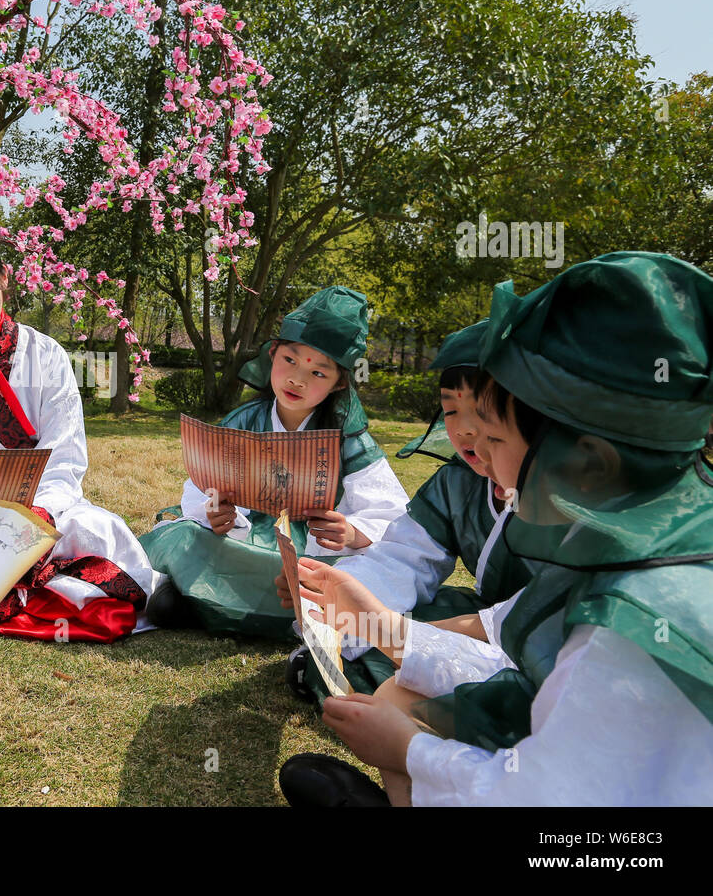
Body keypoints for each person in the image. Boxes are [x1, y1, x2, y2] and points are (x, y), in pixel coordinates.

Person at [280, 252, 713, 806]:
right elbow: (500, 637)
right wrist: (365, 614)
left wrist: (410, 751)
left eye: (496, 436)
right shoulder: (637, 543)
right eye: (455, 414)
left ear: (587, 460)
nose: (476, 448)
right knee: (402, 686)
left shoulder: (631, 628)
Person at [0, 223, 162, 642]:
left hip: (39, 510)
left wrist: (37, 516)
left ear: (3, 277)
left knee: (98, 528)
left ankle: (26, 578)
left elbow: (64, 457)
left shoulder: (47, 355)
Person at [282, 320, 536, 702]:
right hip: (485, 616)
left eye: (482, 412)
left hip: (546, 634)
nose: (464, 430)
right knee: (388, 629)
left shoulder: (565, 497)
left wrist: (387, 630)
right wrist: (339, 596)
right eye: (451, 410)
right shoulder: (455, 484)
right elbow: (403, 556)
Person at [140, 286, 408, 638]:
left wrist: (353, 532)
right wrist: (219, 514)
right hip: (240, 545)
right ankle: (216, 601)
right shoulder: (244, 420)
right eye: (290, 360)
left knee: (355, 575)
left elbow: (393, 513)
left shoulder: (349, 439)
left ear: (339, 384)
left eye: (318, 373)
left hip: (312, 557)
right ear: (273, 354)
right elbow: (203, 487)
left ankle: (205, 602)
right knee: (185, 535)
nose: (297, 379)